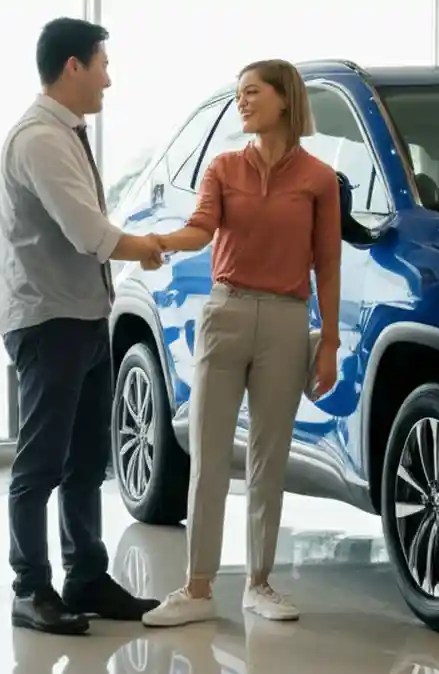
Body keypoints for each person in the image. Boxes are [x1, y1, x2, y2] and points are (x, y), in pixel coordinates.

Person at [141, 59, 342, 627]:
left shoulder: (319, 179)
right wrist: (157, 241)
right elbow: (202, 227)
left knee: (268, 458)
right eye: (239, 94)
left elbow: (327, 263)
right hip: (225, 313)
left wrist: (327, 342)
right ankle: (197, 588)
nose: (242, 102)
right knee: (207, 455)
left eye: (252, 92)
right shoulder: (224, 167)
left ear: (284, 100)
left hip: (286, 321)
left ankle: (259, 583)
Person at [0, 17, 164, 635]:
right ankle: (30, 588)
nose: (108, 79)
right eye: (101, 65)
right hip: (49, 321)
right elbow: (89, 233)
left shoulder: (65, 133)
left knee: (88, 460)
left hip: (84, 317)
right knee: (40, 463)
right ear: (73, 67)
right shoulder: (39, 139)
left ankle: (86, 576)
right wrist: (152, 244)